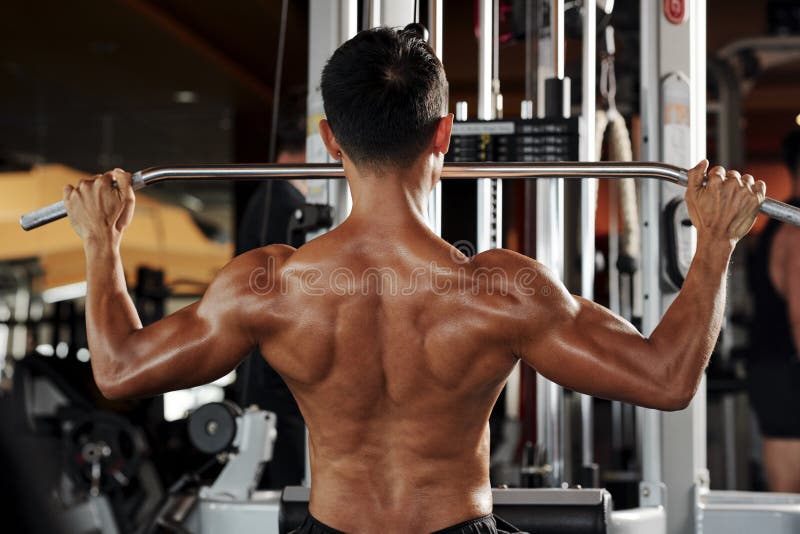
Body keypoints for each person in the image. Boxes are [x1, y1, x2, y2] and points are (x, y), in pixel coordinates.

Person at [63, 27, 764, 534]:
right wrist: (713, 245)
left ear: (329, 138)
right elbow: (667, 379)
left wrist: (102, 243)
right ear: (444, 135)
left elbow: (120, 371)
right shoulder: (500, 293)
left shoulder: (268, 288)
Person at [233, 119, 309, 489]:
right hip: (274, 378)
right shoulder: (282, 204)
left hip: (271, 374)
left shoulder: (277, 199)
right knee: (285, 487)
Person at [746, 129, 800, 493]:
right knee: (791, 502)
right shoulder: (796, 228)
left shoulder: (782, 222)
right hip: (788, 374)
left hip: (777, 371)